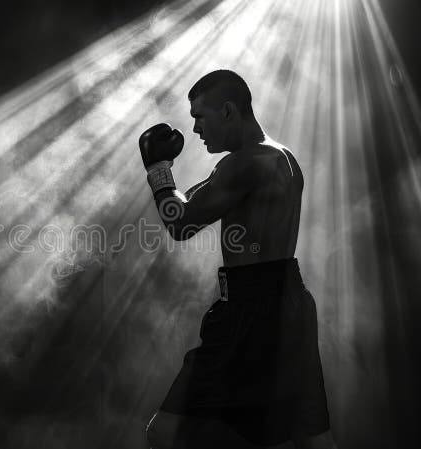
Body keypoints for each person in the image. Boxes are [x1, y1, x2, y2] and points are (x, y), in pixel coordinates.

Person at [139, 70, 337, 449]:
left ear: (228, 111)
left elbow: (179, 223)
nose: (195, 129)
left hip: (252, 312)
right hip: (287, 306)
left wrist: (157, 168)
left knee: (164, 432)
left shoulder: (247, 163)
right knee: (312, 440)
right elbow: (194, 200)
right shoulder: (278, 156)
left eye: (200, 116)